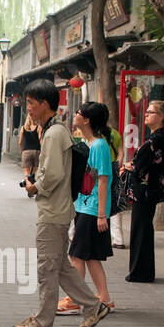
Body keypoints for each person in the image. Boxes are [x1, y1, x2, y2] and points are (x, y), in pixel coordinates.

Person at [13, 79, 111, 327]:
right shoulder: (56, 130)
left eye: (32, 104)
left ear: (45, 104)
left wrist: (35, 186)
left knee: (47, 268)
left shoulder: (54, 133)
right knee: (60, 267)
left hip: (53, 211)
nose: (29, 110)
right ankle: (93, 306)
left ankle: (42, 322)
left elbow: (53, 174)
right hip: (59, 209)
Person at [66, 102, 115, 311]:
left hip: (93, 209)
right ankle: (104, 297)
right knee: (91, 256)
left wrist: (101, 214)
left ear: (86, 120)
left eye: (78, 113)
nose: (75, 115)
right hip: (86, 206)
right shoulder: (90, 144)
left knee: (77, 255)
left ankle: (76, 299)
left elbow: (103, 180)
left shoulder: (99, 146)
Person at [125, 101, 164, 283]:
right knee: (142, 230)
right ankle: (142, 271)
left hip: (146, 192)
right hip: (146, 191)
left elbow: (140, 165)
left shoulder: (156, 139)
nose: (147, 114)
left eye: (151, 112)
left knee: (140, 230)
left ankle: (140, 272)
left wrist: (129, 167)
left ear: (161, 117)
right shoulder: (155, 137)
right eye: (148, 111)